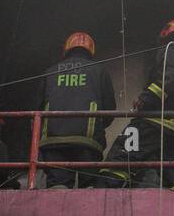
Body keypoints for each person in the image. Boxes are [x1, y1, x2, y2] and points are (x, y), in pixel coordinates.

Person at [101, 19, 174, 189]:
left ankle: (105, 189)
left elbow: (171, 79)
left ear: (165, 35)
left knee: (123, 150)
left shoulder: (172, 49)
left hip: (162, 122)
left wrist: (145, 98)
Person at [38, 31, 116, 188]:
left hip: (53, 141)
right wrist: (96, 126)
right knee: (89, 187)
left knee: (57, 188)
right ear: (91, 49)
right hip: (87, 142)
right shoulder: (99, 71)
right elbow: (110, 108)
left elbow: (37, 107)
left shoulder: (50, 72)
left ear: (67, 48)